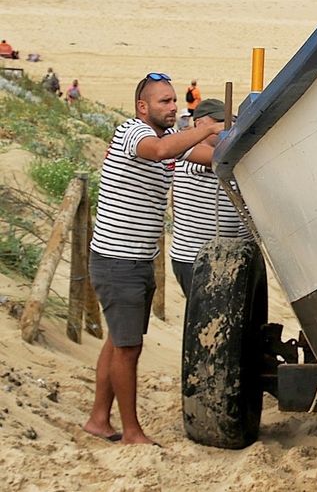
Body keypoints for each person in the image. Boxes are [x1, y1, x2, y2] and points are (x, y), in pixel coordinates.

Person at [83, 73, 224, 445]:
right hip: (118, 260)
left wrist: (229, 137)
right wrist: (207, 125)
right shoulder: (134, 133)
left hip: (136, 261)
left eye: (175, 101)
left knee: (118, 341)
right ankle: (132, 432)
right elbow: (161, 151)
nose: (173, 106)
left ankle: (99, 419)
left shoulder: (166, 139)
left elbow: (212, 157)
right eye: (164, 101)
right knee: (128, 348)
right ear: (142, 107)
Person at [169, 99, 252, 296]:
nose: (225, 128)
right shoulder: (190, 157)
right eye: (218, 122)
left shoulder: (227, 160)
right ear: (199, 125)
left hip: (227, 256)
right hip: (196, 259)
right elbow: (212, 161)